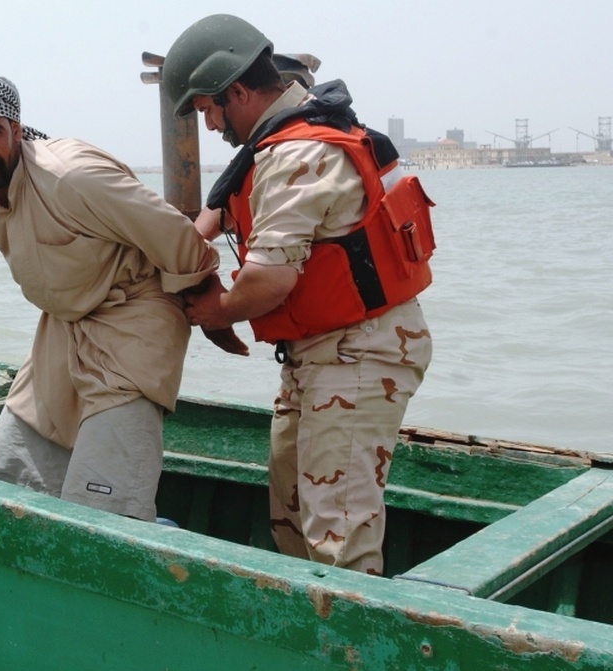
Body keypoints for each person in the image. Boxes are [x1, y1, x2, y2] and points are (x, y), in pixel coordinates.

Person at [162, 15, 434, 574]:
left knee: (337, 539)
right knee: (290, 518)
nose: (209, 125)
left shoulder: (297, 153)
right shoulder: (286, 126)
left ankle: (353, 649)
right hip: (317, 356)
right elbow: (230, 193)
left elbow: (268, 281)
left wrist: (217, 311)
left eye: (208, 109)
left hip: (358, 356)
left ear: (238, 91)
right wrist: (189, 240)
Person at [0, 74, 245, 522]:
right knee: (1, 487)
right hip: (61, 336)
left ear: (16, 129)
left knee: (105, 512)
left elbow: (177, 237)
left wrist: (216, 317)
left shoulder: (70, 177)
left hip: (131, 329)